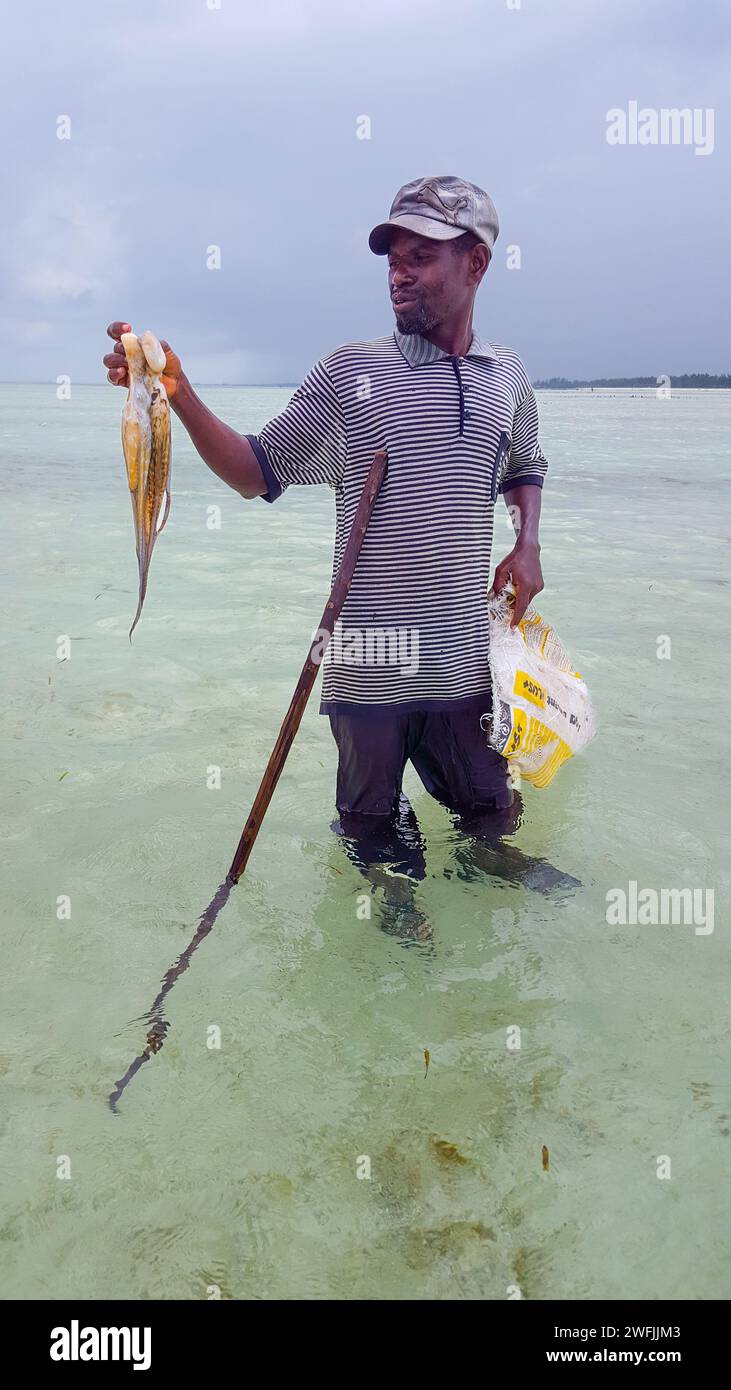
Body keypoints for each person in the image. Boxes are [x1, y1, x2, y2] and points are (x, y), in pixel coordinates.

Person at [104, 175, 552, 933]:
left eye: (421, 256)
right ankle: (395, 928)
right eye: (391, 258)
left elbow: (524, 462)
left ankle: (481, 882)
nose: (398, 273)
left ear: (476, 266)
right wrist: (175, 390)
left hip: (460, 667)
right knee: (379, 849)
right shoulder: (352, 377)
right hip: (368, 672)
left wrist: (526, 543)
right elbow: (254, 470)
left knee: (491, 821)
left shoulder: (505, 377)